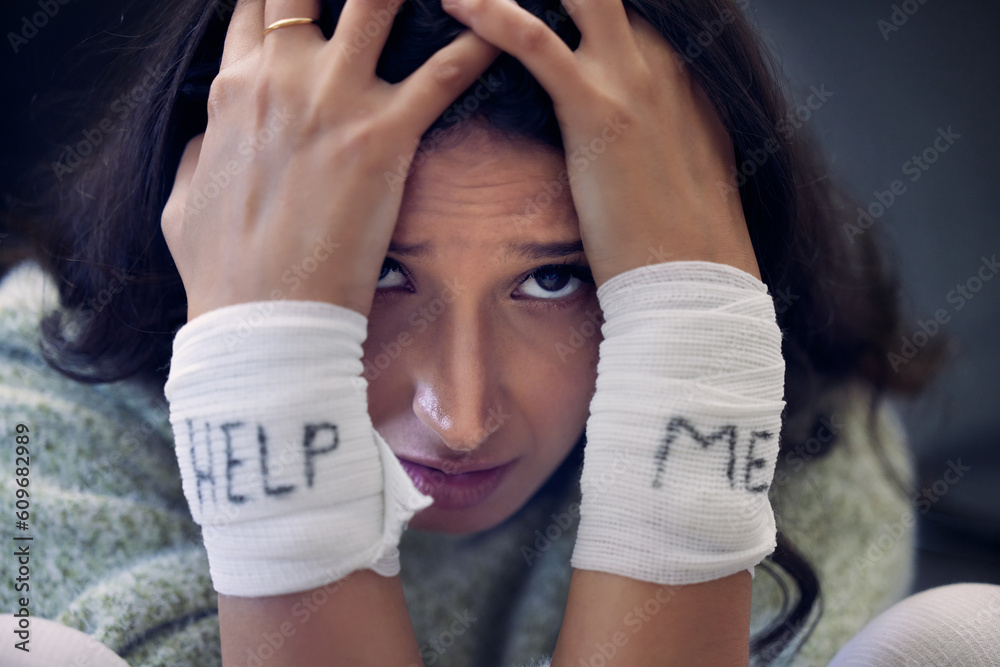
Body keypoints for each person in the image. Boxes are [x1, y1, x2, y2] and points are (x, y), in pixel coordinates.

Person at [2, 0, 998, 665]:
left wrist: (695, 332)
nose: (461, 415)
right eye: (378, 270)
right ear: (217, 228)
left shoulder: (790, 413)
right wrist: (261, 354)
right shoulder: (34, 414)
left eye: (553, 278)